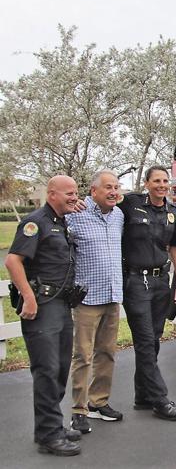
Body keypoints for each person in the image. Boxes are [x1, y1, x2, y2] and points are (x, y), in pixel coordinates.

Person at [5, 176, 82, 456]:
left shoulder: (62, 222)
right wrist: (28, 296)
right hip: (43, 305)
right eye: (69, 193)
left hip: (61, 304)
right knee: (47, 370)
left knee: (61, 368)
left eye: (76, 192)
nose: (74, 197)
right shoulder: (35, 221)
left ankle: (54, 425)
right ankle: (48, 435)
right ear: (51, 194)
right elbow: (13, 260)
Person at [118, 166, 176, 421]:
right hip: (136, 282)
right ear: (146, 183)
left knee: (153, 340)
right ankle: (160, 399)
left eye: (165, 180)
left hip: (160, 282)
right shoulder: (130, 203)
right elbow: (105, 200)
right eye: (156, 180)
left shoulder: (173, 213)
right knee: (146, 341)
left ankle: (142, 395)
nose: (162, 184)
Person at [67, 171, 124, 435]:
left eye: (116, 187)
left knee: (107, 353)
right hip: (88, 298)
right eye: (108, 187)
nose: (113, 192)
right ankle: (78, 411)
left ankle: (98, 402)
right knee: (83, 355)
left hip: (113, 296)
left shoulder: (119, 217)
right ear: (93, 191)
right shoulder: (75, 215)